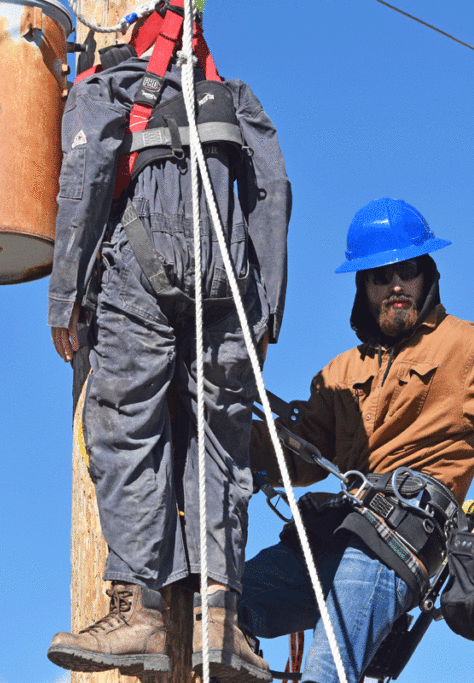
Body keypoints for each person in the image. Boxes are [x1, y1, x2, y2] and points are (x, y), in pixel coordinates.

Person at [238, 197, 474, 683]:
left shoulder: (467, 349)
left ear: (428, 275)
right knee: (221, 607)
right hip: (334, 532)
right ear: (363, 286)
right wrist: (218, 431)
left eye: (408, 270)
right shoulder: (341, 372)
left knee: (326, 670)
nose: (396, 284)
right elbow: (300, 451)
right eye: (381, 275)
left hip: (399, 537)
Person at [44, 12, 290, 683]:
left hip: (141, 266)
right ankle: (220, 620)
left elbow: (85, 174)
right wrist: (266, 314)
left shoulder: (107, 86)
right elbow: (272, 195)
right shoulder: (237, 99)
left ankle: (139, 612)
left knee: (127, 428)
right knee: (220, 444)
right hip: (230, 280)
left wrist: (65, 295)